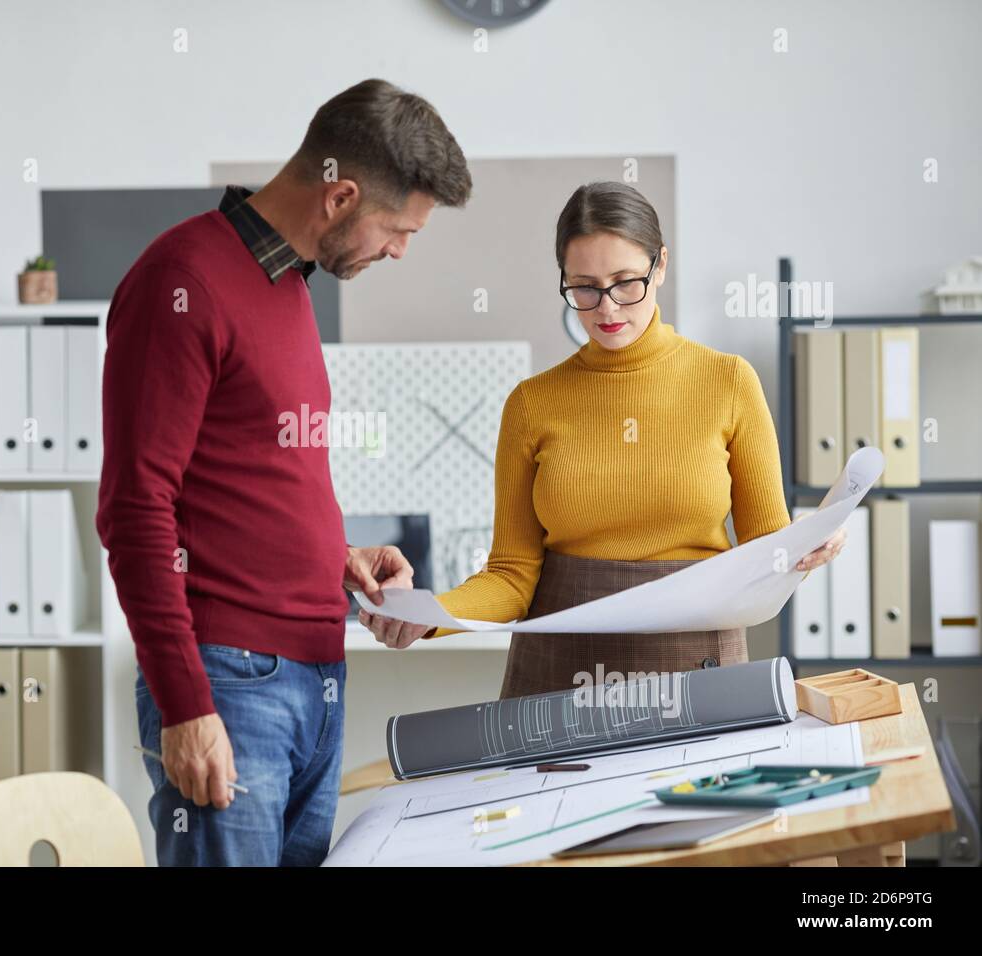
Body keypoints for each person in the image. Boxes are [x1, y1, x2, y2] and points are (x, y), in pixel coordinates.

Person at [95, 79, 472, 865]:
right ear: (339, 196)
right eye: (398, 229)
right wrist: (186, 705)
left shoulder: (289, 286)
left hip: (314, 679)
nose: (400, 250)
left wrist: (338, 562)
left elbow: (248, 483)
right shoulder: (184, 281)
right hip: (229, 686)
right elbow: (137, 510)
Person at [358, 181, 846, 698]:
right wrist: (428, 616)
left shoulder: (728, 381)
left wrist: (809, 540)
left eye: (625, 282)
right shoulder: (532, 403)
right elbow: (511, 576)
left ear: (660, 266)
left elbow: (766, 555)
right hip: (560, 671)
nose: (607, 309)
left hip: (695, 666)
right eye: (585, 287)